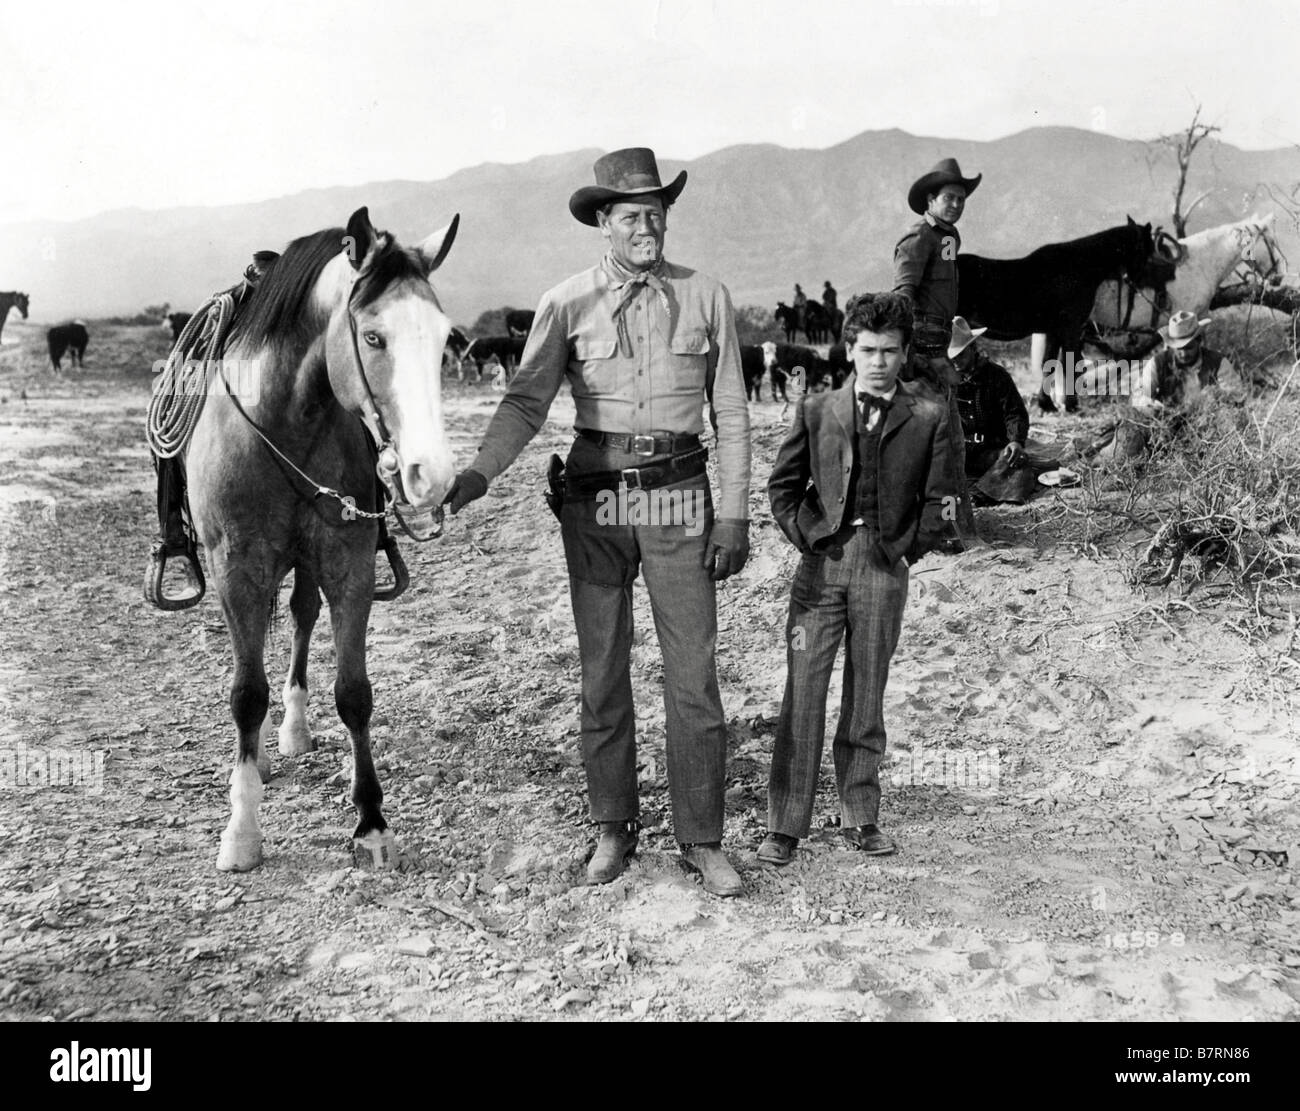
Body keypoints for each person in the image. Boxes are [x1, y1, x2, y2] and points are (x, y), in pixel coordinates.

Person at [443, 148, 752, 898]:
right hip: (597, 501)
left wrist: (736, 514)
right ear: (603, 224)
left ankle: (702, 838)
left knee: (693, 677)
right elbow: (525, 403)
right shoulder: (566, 303)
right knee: (602, 671)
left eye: (657, 211)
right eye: (630, 214)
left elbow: (735, 413)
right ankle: (613, 825)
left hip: (680, 497)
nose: (647, 225)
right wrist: (475, 476)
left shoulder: (707, 296)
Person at [760, 292, 955, 866]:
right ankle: (785, 823)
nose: (878, 362)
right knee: (804, 691)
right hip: (819, 570)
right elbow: (782, 487)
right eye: (867, 349)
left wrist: (906, 549)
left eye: (889, 351)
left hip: (883, 568)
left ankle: (861, 814)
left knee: (867, 693)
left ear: (903, 354)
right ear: (849, 349)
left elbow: (942, 496)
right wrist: (811, 536)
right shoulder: (818, 409)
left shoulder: (928, 414)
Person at [893, 157, 982, 542]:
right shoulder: (918, 239)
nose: (957, 204)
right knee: (934, 442)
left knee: (948, 442)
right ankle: (940, 530)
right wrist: (918, 355)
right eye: (949, 197)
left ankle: (948, 526)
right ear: (930, 200)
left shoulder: (948, 238)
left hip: (941, 343)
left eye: (962, 198)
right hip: (920, 349)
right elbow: (903, 299)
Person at [1097, 310, 1244, 462]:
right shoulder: (1158, 362)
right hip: (1166, 429)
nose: (1184, 353)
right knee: (1133, 428)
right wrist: (1150, 405)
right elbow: (1140, 394)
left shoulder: (1218, 363)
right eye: (1179, 348)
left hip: (1206, 431)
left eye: (1189, 347)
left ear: (1199, 341)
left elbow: (1237, 396)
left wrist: (1213, 397)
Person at [947, 316, 1035, 495]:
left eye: (960, 354)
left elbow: (1015, 413)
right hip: (957, 453)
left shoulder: (997, 376)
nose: (955, 361)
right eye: (951, 357)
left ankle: (983, 492)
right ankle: (981, 489)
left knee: (1018, 465)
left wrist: (1016, 441)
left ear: (972, 348)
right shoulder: (944, 380)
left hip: (991, 452)